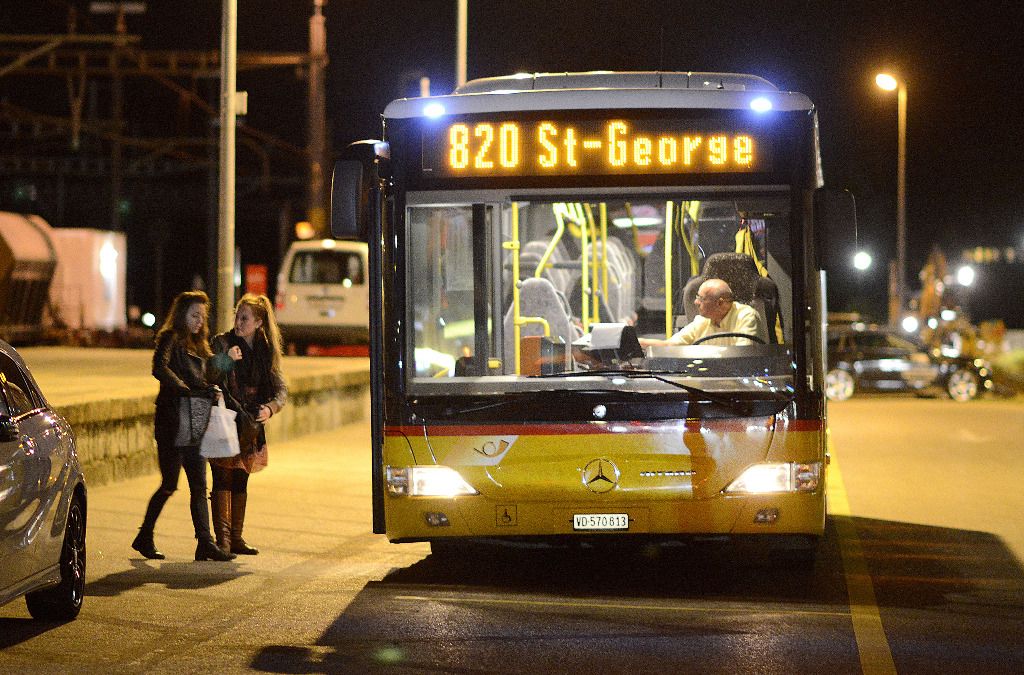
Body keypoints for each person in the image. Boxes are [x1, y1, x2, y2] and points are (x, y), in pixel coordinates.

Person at [132, 291, 235, 562]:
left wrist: (227, 362)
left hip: (196, 416)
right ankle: (144, 535)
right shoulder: (170, 338)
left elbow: (212, 372)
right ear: (181, 315)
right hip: (172, 418)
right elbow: (159, 367)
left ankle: (205, 542)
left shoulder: (200, 345)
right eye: (194, 315)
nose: (199, 321)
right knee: (169, 483)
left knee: (199, 485)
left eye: (202, 316)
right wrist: (183, 389)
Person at [207, 294, 288, 556]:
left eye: (244, 318)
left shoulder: (266, 351)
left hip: (250, 423)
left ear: (259, 322)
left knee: (241, 479)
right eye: (237, 317)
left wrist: (270, 408)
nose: (238, 323)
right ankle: (223, 541)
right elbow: (208, 373)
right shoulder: (223, 342)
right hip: (226, 417)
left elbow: (281, 388)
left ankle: (237, 538)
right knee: (222, 477)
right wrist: (226, 359)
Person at [639, 278, 766, 347]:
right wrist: (639, 342)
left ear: (720, 303)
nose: (695, 302)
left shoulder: (746, 317)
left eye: (701, 298)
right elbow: (669, 346)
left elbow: (742, 357)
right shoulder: (702, 320)